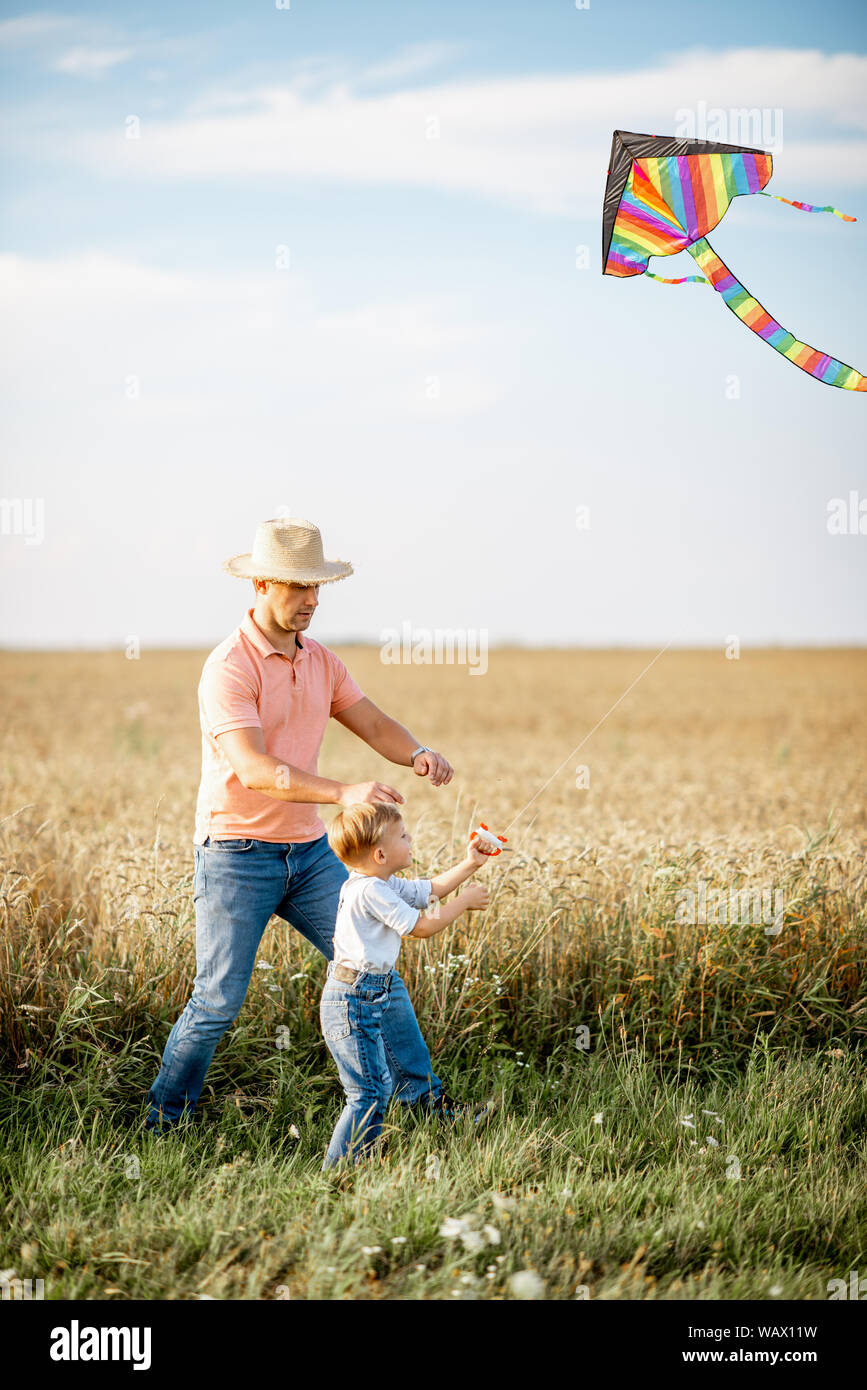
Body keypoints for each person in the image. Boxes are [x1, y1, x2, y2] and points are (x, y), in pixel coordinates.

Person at [146, 516, 456, 1132]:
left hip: (310, 852)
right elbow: (256, 769)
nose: (311, 600)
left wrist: (416, 751)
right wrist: (343, 792)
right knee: (216, 1001)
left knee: (376, 969)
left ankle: (425, 1104)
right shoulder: (228, 667)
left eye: (318, 588)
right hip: (236, 853)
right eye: (297, 587)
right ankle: (164, 1119)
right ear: (260, 584)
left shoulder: (321, 661)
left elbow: (370, 722)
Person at [320, 802, 493, 1168]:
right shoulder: (371, 892)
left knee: (382, 1081)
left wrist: (471, 863)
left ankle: (381, 1147)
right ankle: (338, 1172)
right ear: (380, 853)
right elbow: (422, 926)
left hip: (370, 991)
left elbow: (428, 890)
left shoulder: (379, 882)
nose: (410, 837)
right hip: (354, 999)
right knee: (368, 1093)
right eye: (402, 835)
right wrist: (463, 903)